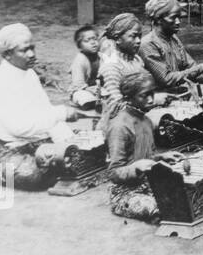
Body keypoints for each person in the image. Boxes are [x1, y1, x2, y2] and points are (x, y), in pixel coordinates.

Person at [0, 24, 89, 189]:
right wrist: (61, 114)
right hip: (3, 149)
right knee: (36, 175)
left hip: (34, 141)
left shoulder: (29, 73)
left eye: (32, 48)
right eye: (24, 50)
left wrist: (67, 137)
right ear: (8, 54)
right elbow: (19, 128)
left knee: (85, 150)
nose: (31, 54)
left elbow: (43, 112)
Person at [104, 71, 166, 223]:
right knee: (159, 207)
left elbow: (143, 157)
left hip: (149, 184)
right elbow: (113, 172)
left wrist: (161, 157)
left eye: (153, 93)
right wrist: (136, 167)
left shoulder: (146, 121)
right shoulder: (120, 126)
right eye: (145, 95)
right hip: (125, 193)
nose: (151, 99)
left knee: (183, 195)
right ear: (128, 98)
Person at [139, 0, 203, 98]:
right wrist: (201, 68)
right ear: (159, 19)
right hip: (159, 101)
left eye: (179, 17)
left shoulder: (173, 39)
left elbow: (191, 68)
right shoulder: (148, 44)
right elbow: (167, 79)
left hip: (180, 96)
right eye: (173, 18)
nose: (178, 22)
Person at [98, 13, 151, 132]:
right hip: (116, 126)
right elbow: (116, 105)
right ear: (117, 38)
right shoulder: (111, 66)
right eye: (133, 36)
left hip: (137, 119)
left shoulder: (137, 60)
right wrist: (150, 101)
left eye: (140, 36)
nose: (138, 41)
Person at [69, 24, 102, 108]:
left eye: (95, 39)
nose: (93, 43)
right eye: (87, 41)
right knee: (82, 97)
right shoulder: (80, 60)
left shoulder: (102, 56)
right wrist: (89, 89)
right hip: (83, 89)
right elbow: (78, 84)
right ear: (80, 46)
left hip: (99, 88)